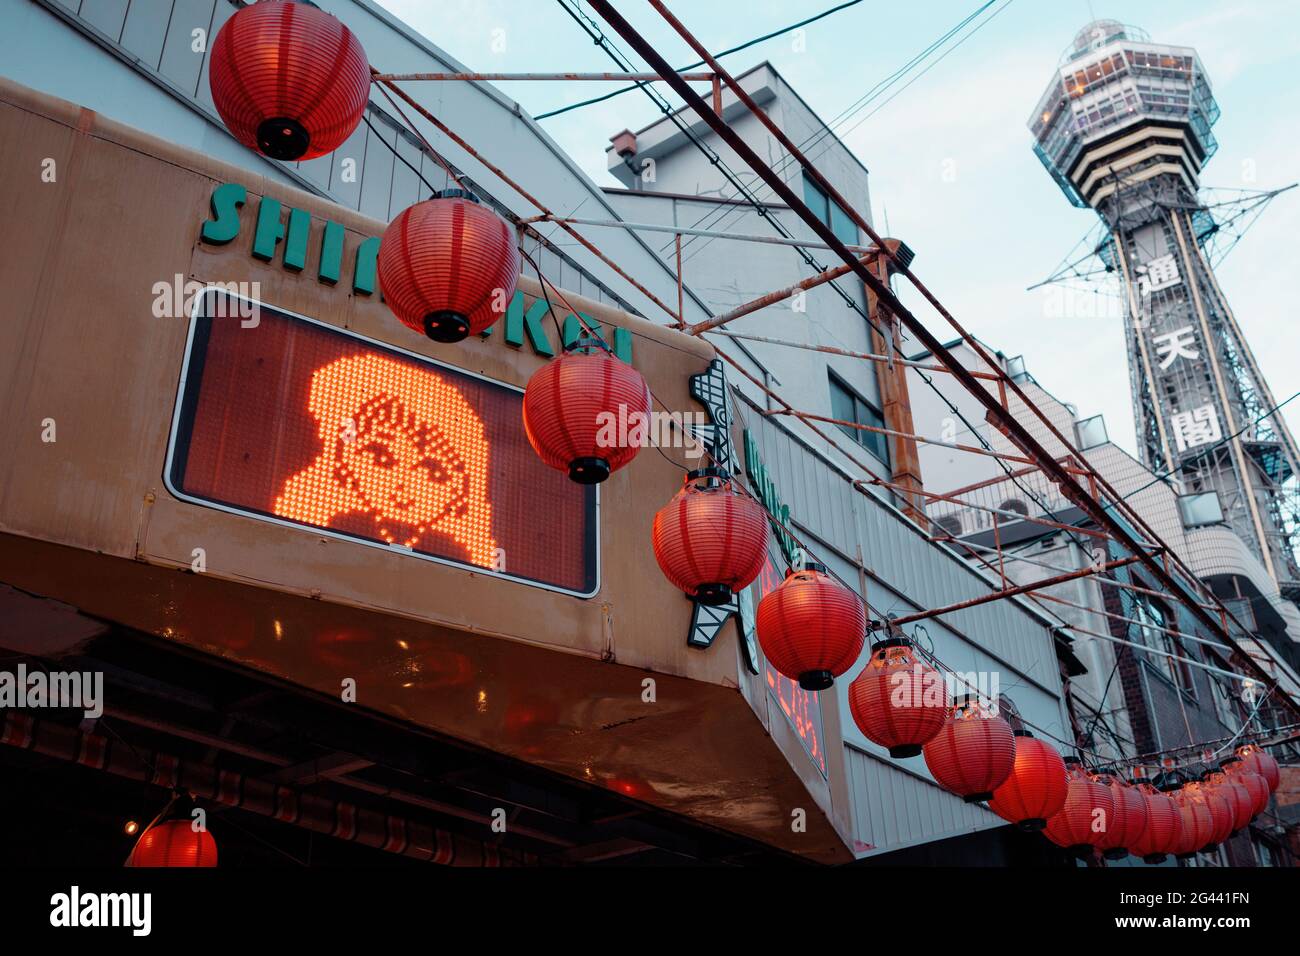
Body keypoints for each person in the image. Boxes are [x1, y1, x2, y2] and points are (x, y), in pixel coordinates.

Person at [275, 352, 498, 568]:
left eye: (433, 472)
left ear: (459, 490)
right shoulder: (315, 526)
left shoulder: (459, 557)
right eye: (381, 458)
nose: (404, 485)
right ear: (343, 458)